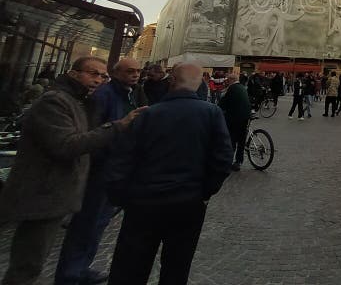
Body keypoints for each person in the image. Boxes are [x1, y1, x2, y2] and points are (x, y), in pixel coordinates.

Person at [0, 57, 141, 285]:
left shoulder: (79, 99)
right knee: (29, 261)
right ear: (74, 73)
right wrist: (118, 126)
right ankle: (70, 274)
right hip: (45, 191)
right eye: (93, 74)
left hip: (61, 188)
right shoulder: (56, 101)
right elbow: (67, 144)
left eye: (102, 76)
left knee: (42, 252)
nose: (98, 80)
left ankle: (76, 271)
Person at [105, 62, 233, 285]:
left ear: (171, 81)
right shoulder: (211, 113)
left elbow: (122, 158)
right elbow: (222, 159)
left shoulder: (147, 114)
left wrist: (122, 197)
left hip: (143, 202)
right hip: (188, 202)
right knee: (177, 266)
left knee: (130, 266)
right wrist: (204, 192)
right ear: (199, 84)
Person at [54, 58, 146, 285]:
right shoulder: (103, 96)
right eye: (130, 71)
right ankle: (70, 274)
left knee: (97, 224)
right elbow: (92, 133)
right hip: (101, 169)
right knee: (87, 224)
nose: (135, 75)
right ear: (116, 73)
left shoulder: (130, 92)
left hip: (115, 167)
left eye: (138, 71)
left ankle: (81, 268)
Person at [218, 74, 252, 171]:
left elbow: (222, 103)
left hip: (235, 118)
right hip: (246, 116)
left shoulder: (232, 88)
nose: (226, 82)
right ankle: (238, 161)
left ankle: (228, 161)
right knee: (241, 141)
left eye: (228, 80)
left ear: (231, 80)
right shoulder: (242, 87)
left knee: (231, 139)